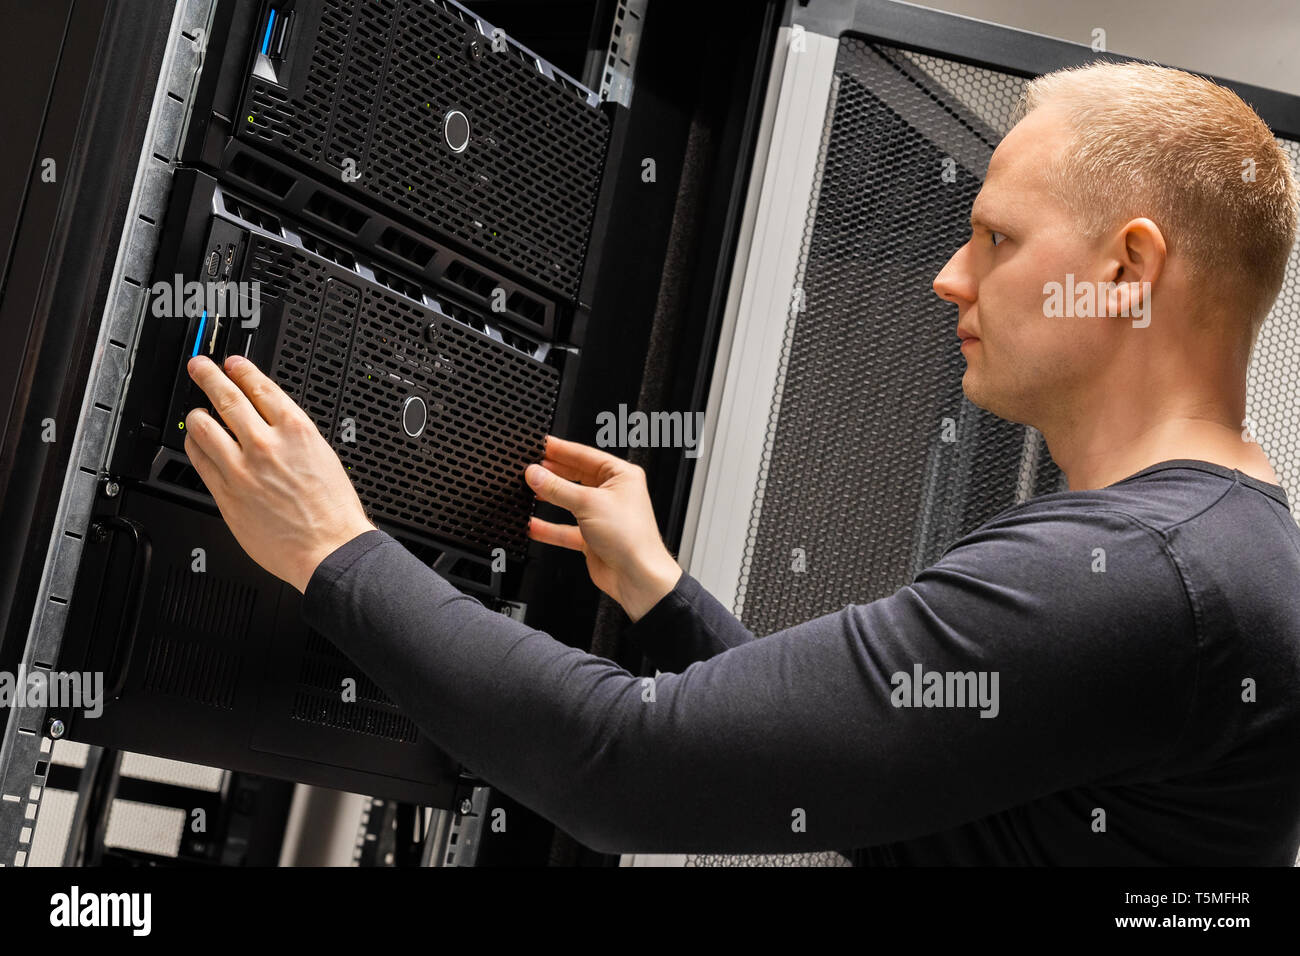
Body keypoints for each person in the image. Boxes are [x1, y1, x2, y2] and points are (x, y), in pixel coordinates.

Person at [179, 60, 1300, 863]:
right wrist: (662, 594)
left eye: (995, 237)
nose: (948, 278)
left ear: (1126, 267)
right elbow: (885, 800)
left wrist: (335, 549)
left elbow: (629, 765)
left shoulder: (1135, 571)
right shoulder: (1220, 554)